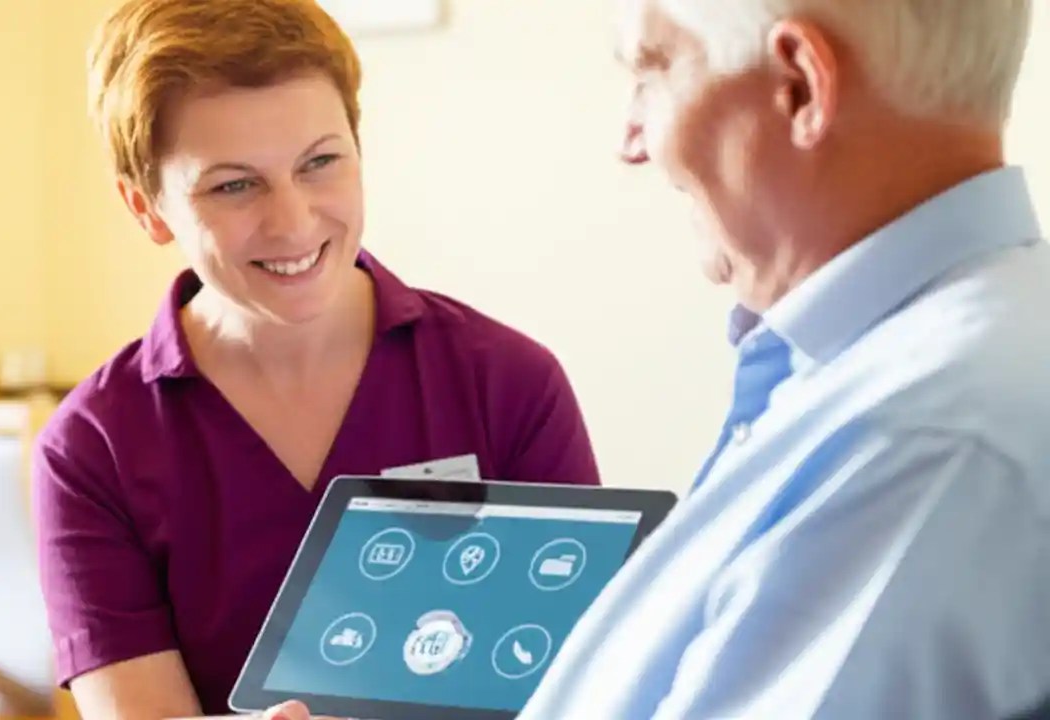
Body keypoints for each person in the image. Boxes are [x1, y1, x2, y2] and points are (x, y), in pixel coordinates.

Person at [265, 0, 1050, 718]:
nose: (629, 140)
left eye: (650, 70)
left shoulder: (924, 442)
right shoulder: (894, 377)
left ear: (800, 87)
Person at [29, 0, 601, 717]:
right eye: (234, 185)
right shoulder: (93, 449)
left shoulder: (509, 385)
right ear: (146, 207)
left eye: (320, 163)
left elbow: (586, 685)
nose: (293, 221)